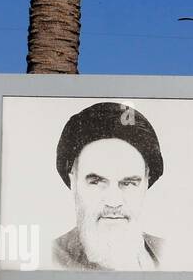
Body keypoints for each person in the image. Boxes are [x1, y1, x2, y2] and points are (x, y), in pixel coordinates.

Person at [52, 101, 166, 271]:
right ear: (73, 182)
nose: (113, 202)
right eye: (96, 182)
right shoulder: (49, 259)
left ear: (146, 181)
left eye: (128, 183)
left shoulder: (169, 253)